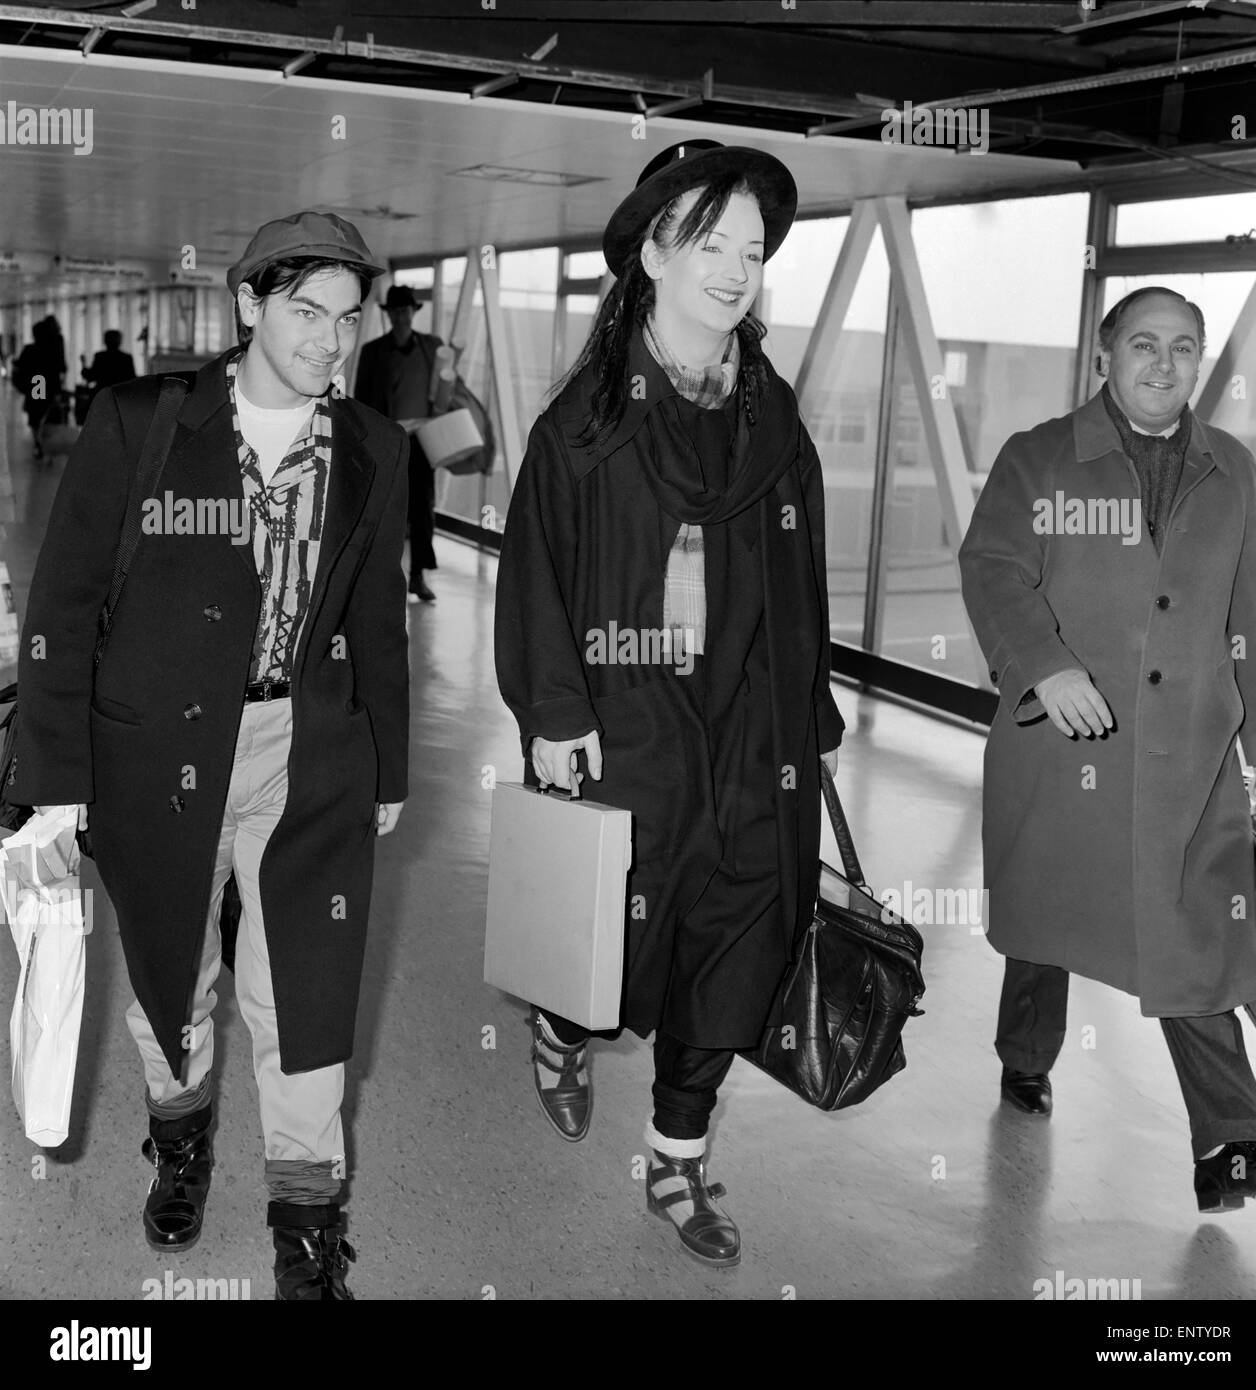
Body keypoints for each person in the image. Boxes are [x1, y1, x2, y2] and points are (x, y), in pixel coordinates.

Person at [11, 210, 411, 1297]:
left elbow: (378, 620)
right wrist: (52, 779)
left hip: (309, 750)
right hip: (158, 753)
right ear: (247, 304)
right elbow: (67, 598)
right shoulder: (146, 423)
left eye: (348, 316)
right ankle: (180, 1145)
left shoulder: (376, 450)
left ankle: (306, 1219)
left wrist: (391, 770)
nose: (331, 340)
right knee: (172, 984)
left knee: (306, 998)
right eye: (305, 311)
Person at [494, 139, 844, 1267]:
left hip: (750, 729)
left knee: (740, 934)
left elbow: (805, 576)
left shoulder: (772, 423)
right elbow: (536, 570)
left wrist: (811, 714)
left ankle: (675, 1154)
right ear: (654, 251)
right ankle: (562, 1021)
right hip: (627, 715)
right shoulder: (584, 426)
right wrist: (553, 715)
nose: (736, 268)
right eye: (712, 243)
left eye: (753, 248)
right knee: (617, 928)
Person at [959, 286, 1256, 1214]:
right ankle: (1025, 1056)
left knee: (1189, 941)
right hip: (1065, 754)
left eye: (1183, 348)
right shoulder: (1039, 458)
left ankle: (1228, 1147)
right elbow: (993, 570)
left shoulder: (1232, 469)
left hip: (1187, 760)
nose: (1163, 364)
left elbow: (1253, 616)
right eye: (1143, 343)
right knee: (1044, 924)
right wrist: (1045, 666)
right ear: (1104, 354)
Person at [354, 284, 447, 602]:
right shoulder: (373, 352)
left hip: (423, 441)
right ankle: (383, 573)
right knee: (387, 507)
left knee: (423, 508)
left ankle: (418, 575)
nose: (401, 317)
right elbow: (362, 401)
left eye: (405, 311)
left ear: (413, 313)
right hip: (389, 442)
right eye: (395, 312)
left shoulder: (433, 348)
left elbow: (447, 390)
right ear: (389, 315)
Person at [11, 316, 67, 459]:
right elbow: (61, 367)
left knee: (36, 416)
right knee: (46, 414)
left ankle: (39, 442)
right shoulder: (53, 349)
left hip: (37, 384)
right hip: (50, 385)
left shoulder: (30, 349)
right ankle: (45, 443)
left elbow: (20, 366)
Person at [81, 328, 137, 402]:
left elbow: (91, 376)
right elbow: (132, 378)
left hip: (103, 397)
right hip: (121, 397)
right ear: (120, 341)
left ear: (105, 341)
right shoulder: (126, 358)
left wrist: (83, 363)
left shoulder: (100, 357)